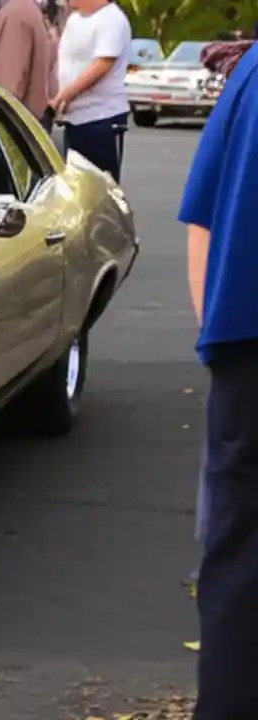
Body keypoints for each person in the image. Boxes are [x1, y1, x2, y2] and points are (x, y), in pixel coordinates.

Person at [177, 41, 258, 720]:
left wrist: (217, 336)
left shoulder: (250, 75)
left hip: (244, 351)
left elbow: (199, 221)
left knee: (235, 554)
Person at [50, 0, 131, 182]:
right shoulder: (74, 20)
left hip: (101, 118)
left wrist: (66, 94)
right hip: (74, 118)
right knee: (77, 185)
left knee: (100, 187)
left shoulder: (111, 19)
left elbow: (102, 64)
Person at [0, 0, 57, 124]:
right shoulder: (3, 10)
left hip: (11, 128)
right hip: (4, 122)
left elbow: (8, 92)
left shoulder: (15, 15)